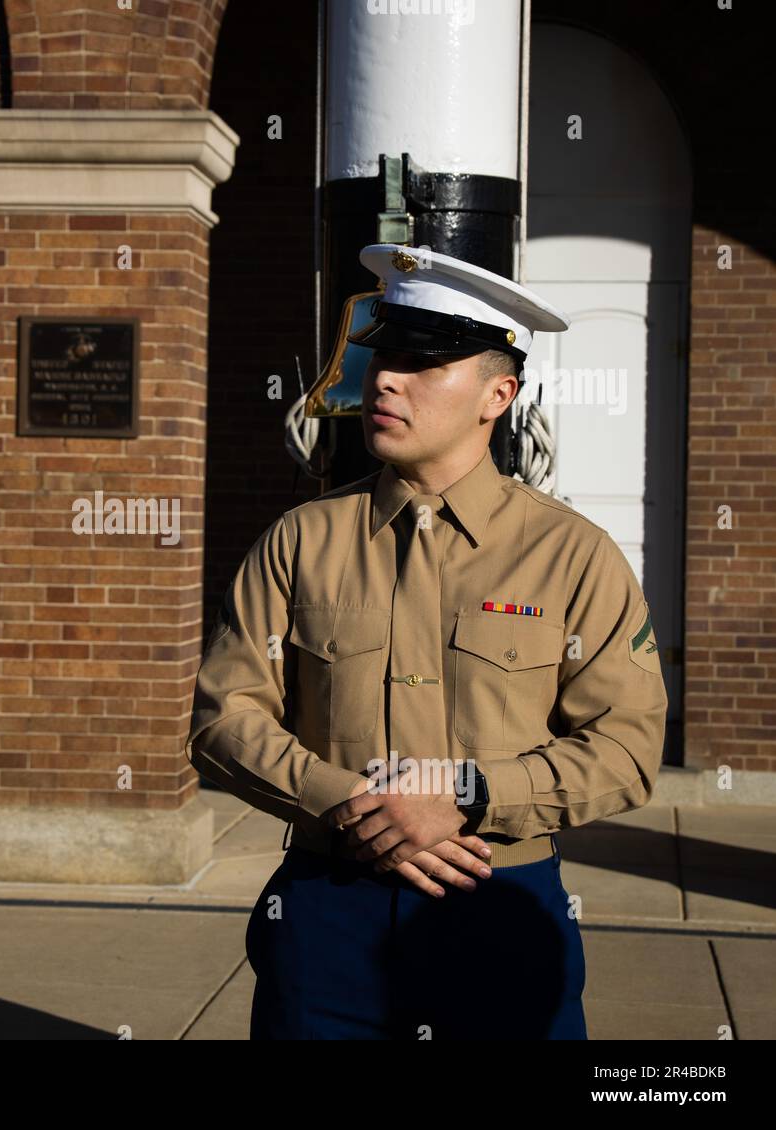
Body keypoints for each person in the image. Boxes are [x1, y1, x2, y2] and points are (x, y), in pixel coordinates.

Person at [187, 244, 669, 1039]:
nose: (384, 378)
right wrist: (352, 804)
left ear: (498, 394)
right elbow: (223, 717)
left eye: (423, 362)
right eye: (384, 356)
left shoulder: (573, 555)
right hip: (326, 913)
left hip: (500, 912)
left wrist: (469, 795)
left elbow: (626, 747)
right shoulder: (301, 541)